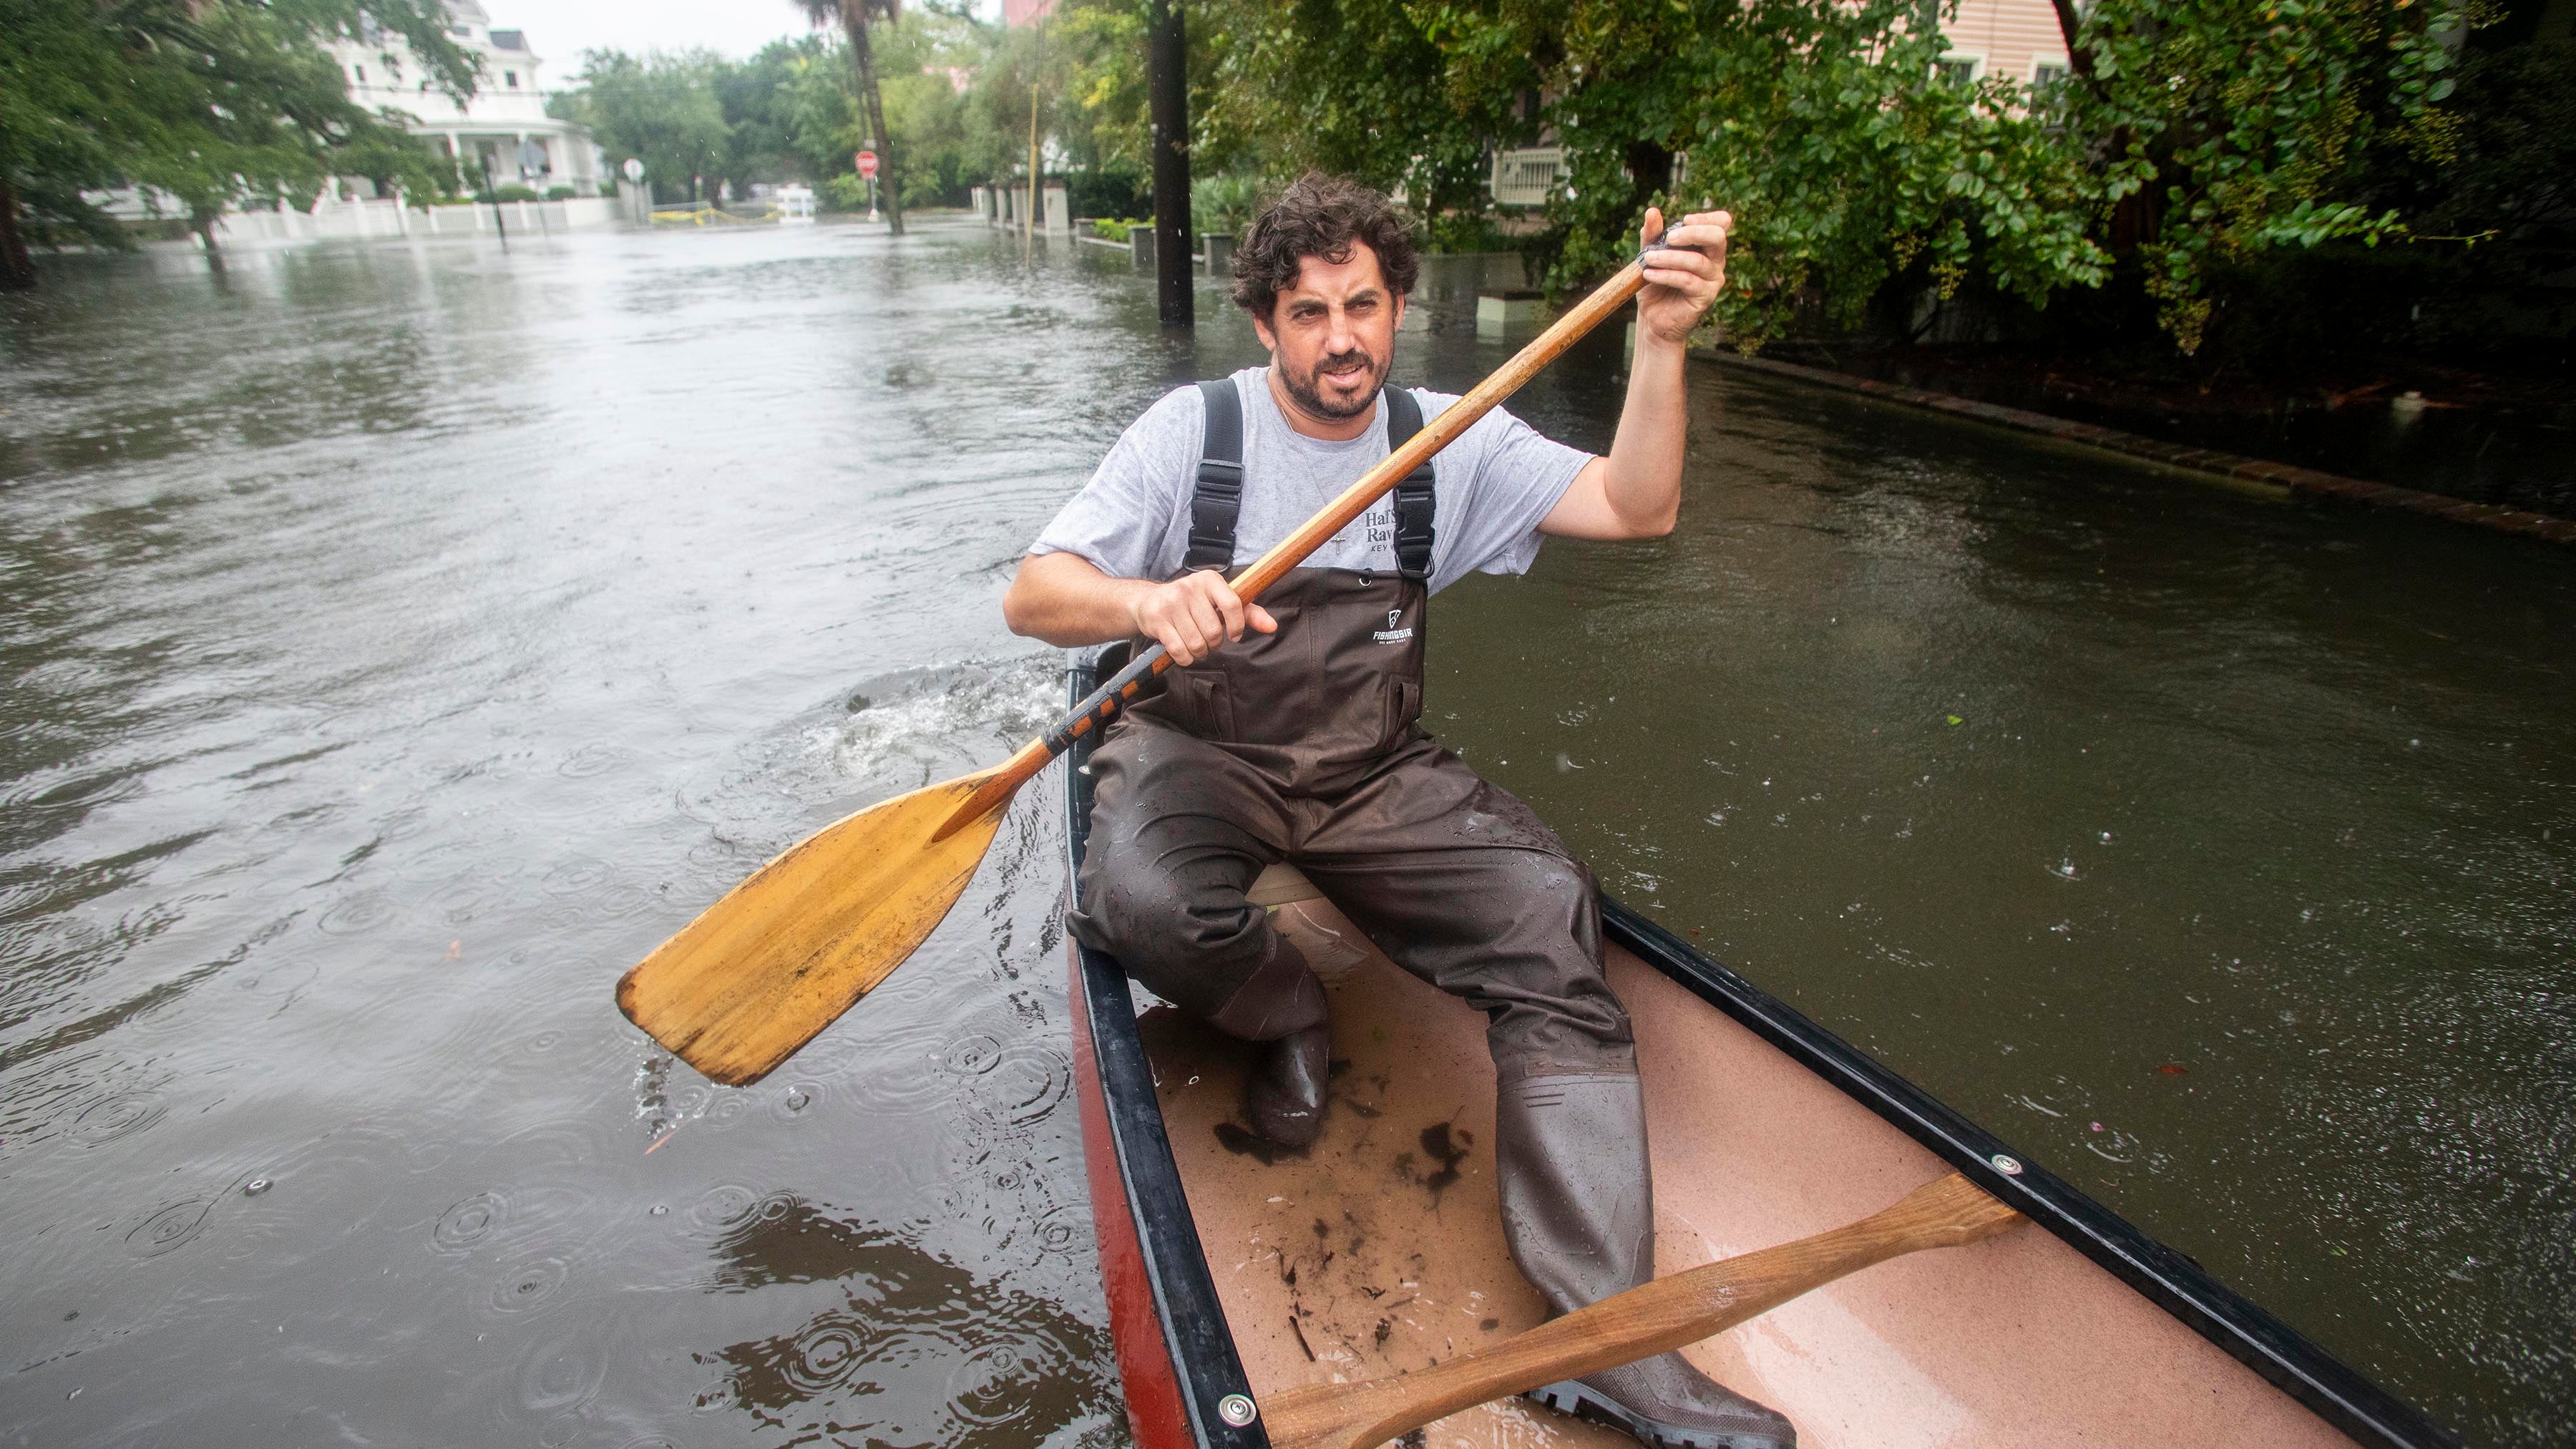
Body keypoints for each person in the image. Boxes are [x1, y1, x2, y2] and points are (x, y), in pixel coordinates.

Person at [1004, 175, 1791, 1449]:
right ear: (1265, 324)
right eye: (1307, 313)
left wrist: (1660, 344)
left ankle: (1604, 1336)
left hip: (1368, 768)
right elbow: (1035, 595)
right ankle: (1288, 1007)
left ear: (1399, 304)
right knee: (1137, 902)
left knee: (1548, 911)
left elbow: (1639, 507)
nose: (1340, 340)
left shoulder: (1451, 437)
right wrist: (1149, 604)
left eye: (1361, 305)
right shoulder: (1187, 435)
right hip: (1197, 752)